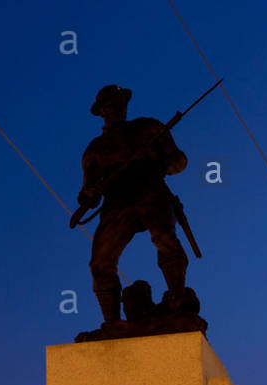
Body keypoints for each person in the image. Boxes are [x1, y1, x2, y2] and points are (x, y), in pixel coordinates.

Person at [76, 85, 189, 324]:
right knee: (100, 263)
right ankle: (112, 323)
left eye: (122, 103)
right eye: (113, 104)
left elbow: (178, 161)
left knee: (165, 239)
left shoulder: (149, 127)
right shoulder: (95, 150)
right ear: (103, 110)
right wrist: (90, 194)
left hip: (151, 193)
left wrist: (160, 162)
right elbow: (88, 193)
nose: (119, 108)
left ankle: (178, 301)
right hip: (117, 205)